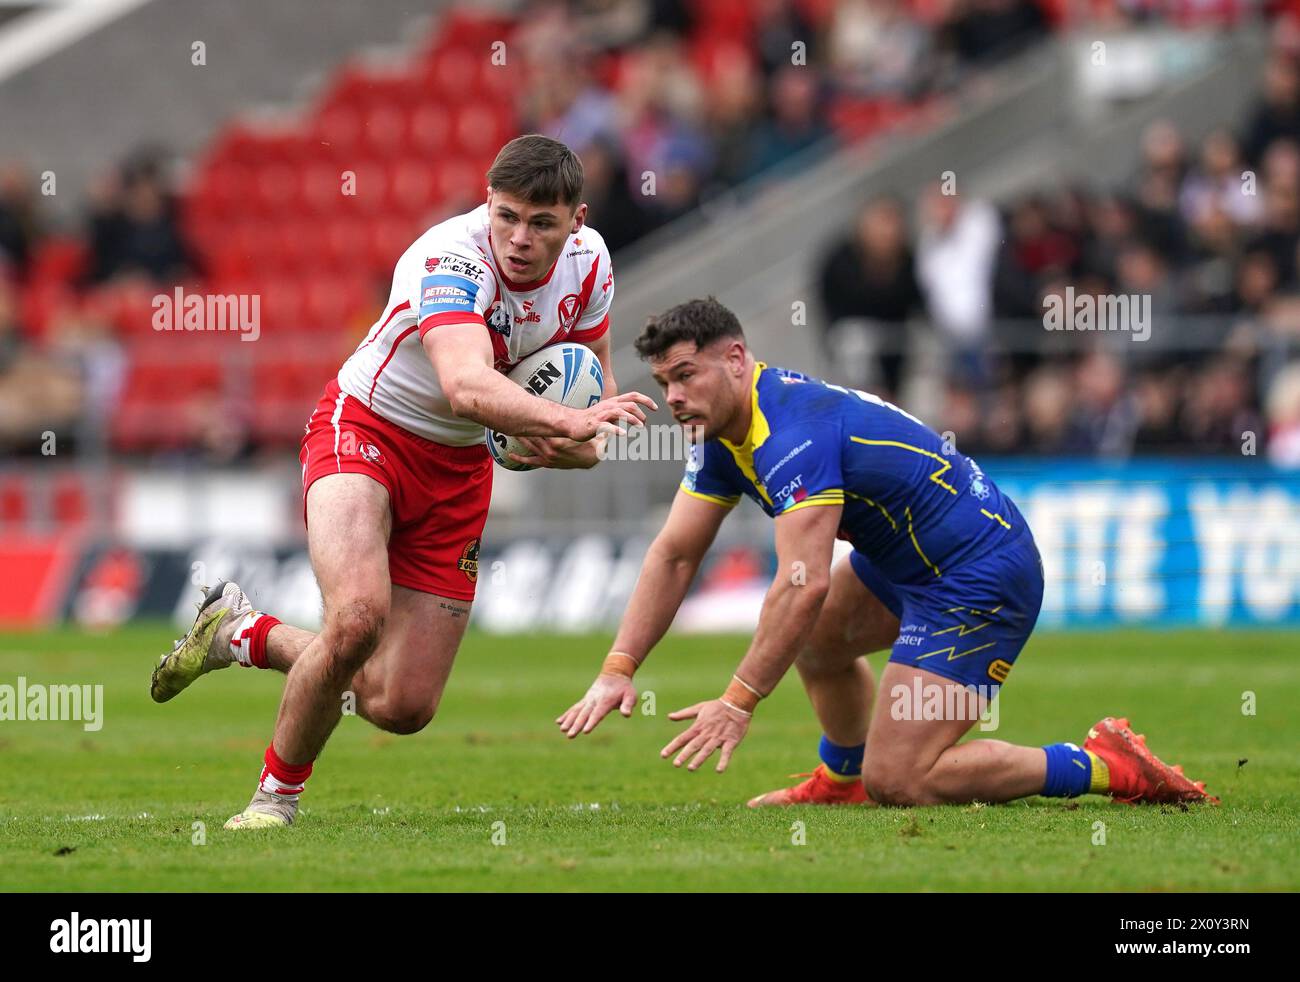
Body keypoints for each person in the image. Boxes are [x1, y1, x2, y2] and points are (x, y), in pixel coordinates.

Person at [150, 135, 655, 829]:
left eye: (542, 223)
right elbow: (465, 385)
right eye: (507, 215)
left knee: (400, 705)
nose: (519, 238)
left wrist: (579, 439)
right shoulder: (449, 256)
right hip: (366, 431)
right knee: (356, 620)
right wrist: (562, 424)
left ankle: (241, 631)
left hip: (459, 469)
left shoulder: (591, 266)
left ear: (578, 220)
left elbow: (590, 383)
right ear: (488, 204)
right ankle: (275, 799)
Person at [558, 297, 1216, 809]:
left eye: (685, 376)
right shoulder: (724, 434)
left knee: (901, 779)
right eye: (664, 381)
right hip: (907, 566)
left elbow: (803, 581)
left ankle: (1106, 764)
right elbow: (675, 555)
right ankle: (842, 778)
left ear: (735, 359)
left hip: (980, 577)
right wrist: (619, 666)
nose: (673, 396)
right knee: (815, 639)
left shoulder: (790, 433)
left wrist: (737, 701)